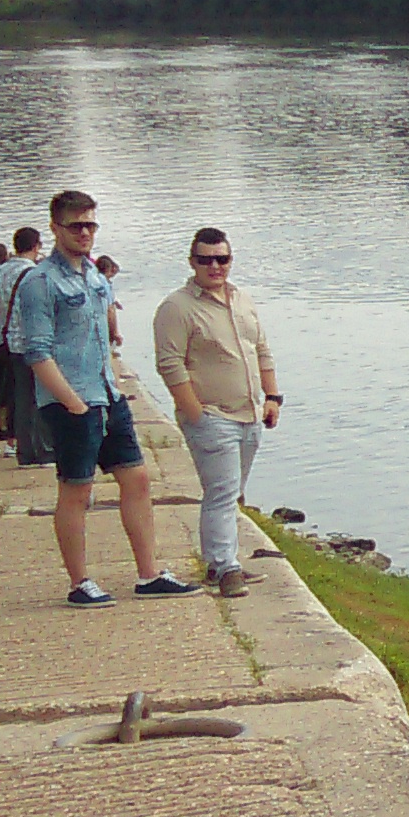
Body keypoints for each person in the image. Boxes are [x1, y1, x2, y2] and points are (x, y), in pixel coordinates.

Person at [12, 189, 196, 607]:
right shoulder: (40, 282)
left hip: (108, 394)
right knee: (77, 489)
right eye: (76, 225)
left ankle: (149, 573)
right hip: (72, 401)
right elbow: (36, 352)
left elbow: (100, 336)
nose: (84, 233)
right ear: (56, 227)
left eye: (90, 225)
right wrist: (72, 402)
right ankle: (80, 582)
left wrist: (113, 386)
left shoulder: (94, 276)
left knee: (137, 478)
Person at [151, 227, 281, 598]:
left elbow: (262, 350)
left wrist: (272, 397)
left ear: (230, 260)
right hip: (211, 415)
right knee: (222, 493)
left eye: (221, 259)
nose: (214, 266)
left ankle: (218, 561)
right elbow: (169, 363)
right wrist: (193, 411)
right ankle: (227, 568)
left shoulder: (242, 300)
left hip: (249, 414)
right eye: (205, 259)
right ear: (192, 262)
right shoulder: (177, 307)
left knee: (231, 492)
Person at [0, 225, 42, 453]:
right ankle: (31, 444)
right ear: (36, 246)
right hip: (33, 339)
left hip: (9, 339)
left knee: (13, 391)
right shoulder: (35, 272)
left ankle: (14, 443)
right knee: (34, 396)